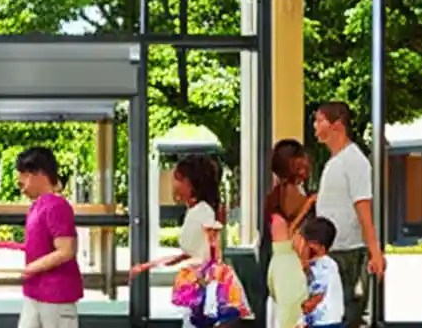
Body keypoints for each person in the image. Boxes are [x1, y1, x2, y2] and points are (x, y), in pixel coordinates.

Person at [131, 155, 247, 327]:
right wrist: (148, 265)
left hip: (204, 286)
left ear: (190, 183)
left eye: (178, 179)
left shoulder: (202, 212)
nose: (174, 184)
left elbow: (211, 252)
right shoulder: (196, 211)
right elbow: (190, 253)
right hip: (199, 285)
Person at [313, 102, 385, 328]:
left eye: (320, 120)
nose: (315, 126)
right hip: (332, 250)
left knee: (346, 314)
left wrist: (375, 252)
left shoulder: (354, 161)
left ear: (337, 125)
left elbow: (363, 207)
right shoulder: (335, 161)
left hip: (348, 251)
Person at [14, 147, 83, 328]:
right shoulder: (37, 206)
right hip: (34, 291)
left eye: (24, 177)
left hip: (56, 295)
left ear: (39, 174)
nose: (21, 187)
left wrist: (32, 268)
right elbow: (41, 245)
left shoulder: (57, 206)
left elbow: (66, 250)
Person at [266, 139, 316, 328]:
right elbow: (291, 230)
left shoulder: (277, 194)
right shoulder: (293, 194)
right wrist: (308, 205)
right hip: (291, 266)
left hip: (279, 264)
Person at [300, 217, 344, 328]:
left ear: (321, 247)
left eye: (307, 243)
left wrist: (303, 309)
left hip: (324, 321)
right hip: (329, 319)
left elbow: (317, 295)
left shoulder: (323, 265)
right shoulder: (323, 264)